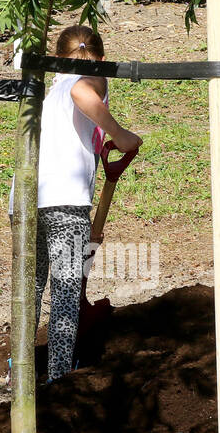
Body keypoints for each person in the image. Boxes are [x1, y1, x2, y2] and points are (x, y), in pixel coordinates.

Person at [9, 25, 143, 382]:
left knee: (31, 290)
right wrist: (122, 134)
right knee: (66, 297)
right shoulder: (92, 77)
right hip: (66, 204)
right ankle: (59, 380)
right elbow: (83, 93)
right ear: (100, 59)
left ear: (57, 59)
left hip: (25, 200)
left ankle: (18, 376)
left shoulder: (48, 88)